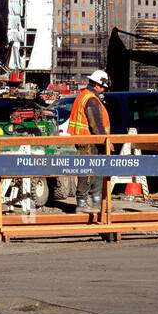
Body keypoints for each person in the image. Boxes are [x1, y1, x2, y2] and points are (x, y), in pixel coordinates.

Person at [66, 69, 111, 213]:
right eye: (104, 87)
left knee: (94, 171)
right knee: (88, 172)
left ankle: (95, 203)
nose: (105, 90)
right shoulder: (91, 99)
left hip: (86, 140)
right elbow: (96, 124)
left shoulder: (84, 96)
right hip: (89, 141)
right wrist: (106, 140)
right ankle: (83, 204)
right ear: (98, 85)